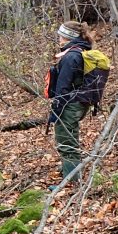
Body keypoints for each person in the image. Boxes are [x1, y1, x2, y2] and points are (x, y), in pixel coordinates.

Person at [47, 20, 95, 185]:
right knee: (68, 139)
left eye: (61, 35)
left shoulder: (71, 56)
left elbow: (63, 87)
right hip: (79, 103)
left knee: (67, 142)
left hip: (69, 104)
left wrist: (56, 110)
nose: (59, 38)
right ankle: (69, 171)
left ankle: (71, 181)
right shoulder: (81, 51)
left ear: (69, 37)